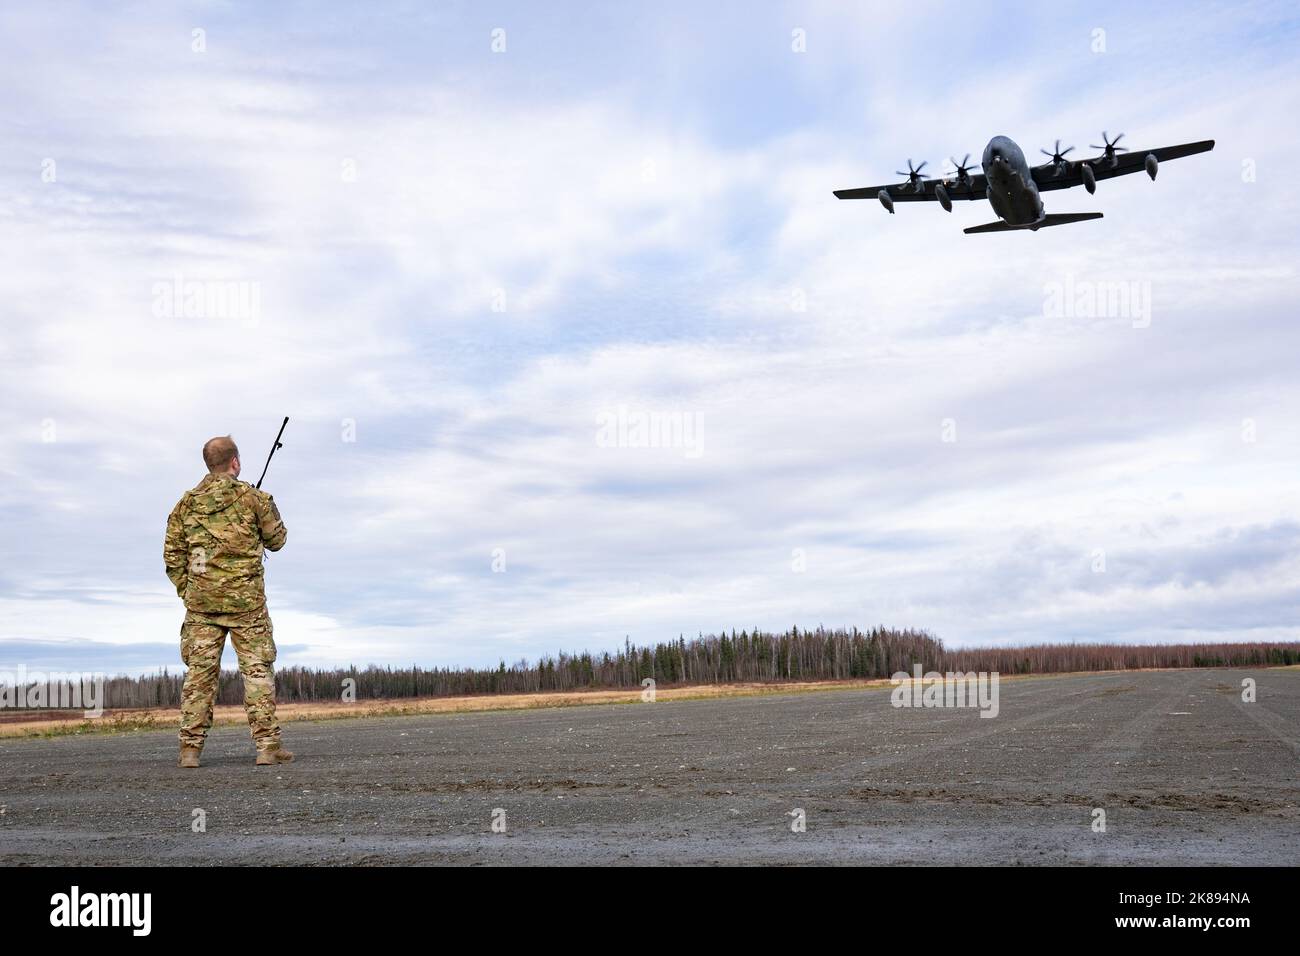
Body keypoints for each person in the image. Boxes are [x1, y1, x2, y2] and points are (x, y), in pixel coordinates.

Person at [163, 435, 293, 768]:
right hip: (247, 605)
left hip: (202, 606)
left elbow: (173, 556)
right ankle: (267, 747)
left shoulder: (186, 504)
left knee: (199, 677)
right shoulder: (255, 499)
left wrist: (189, 591)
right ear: (234, 462)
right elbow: (277, 540)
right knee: (257, 673)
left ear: (209, 464)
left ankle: (189, 750)